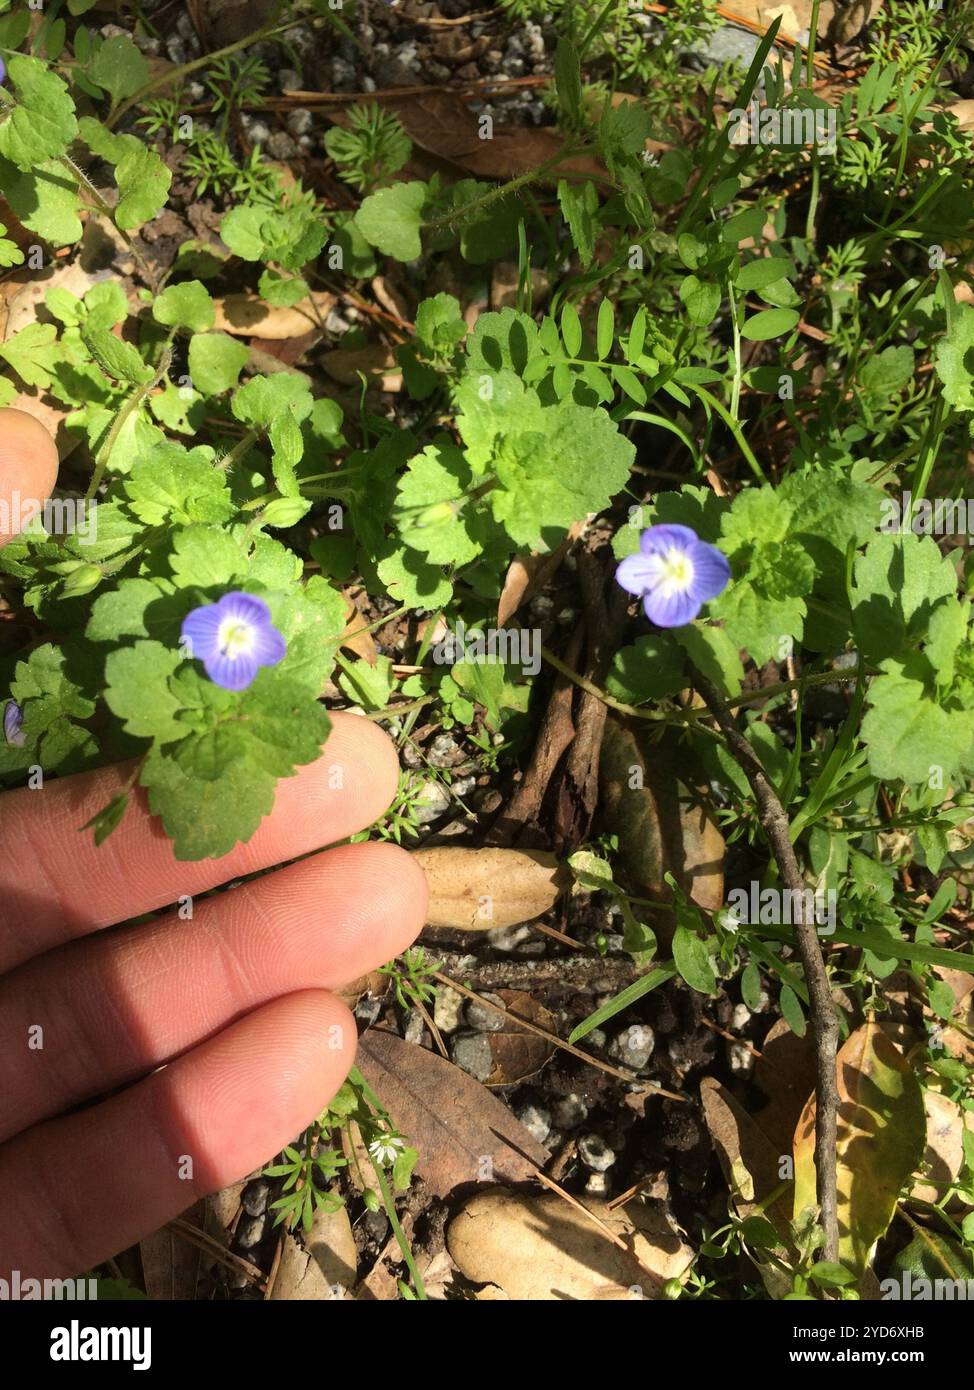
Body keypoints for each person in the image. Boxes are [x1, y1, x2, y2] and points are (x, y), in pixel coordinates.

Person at [0, 407, 427, 1279]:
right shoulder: (203, 635)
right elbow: (147, 665)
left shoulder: (244, 647)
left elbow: (252, 666)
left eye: (240, 637)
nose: (235, 634)